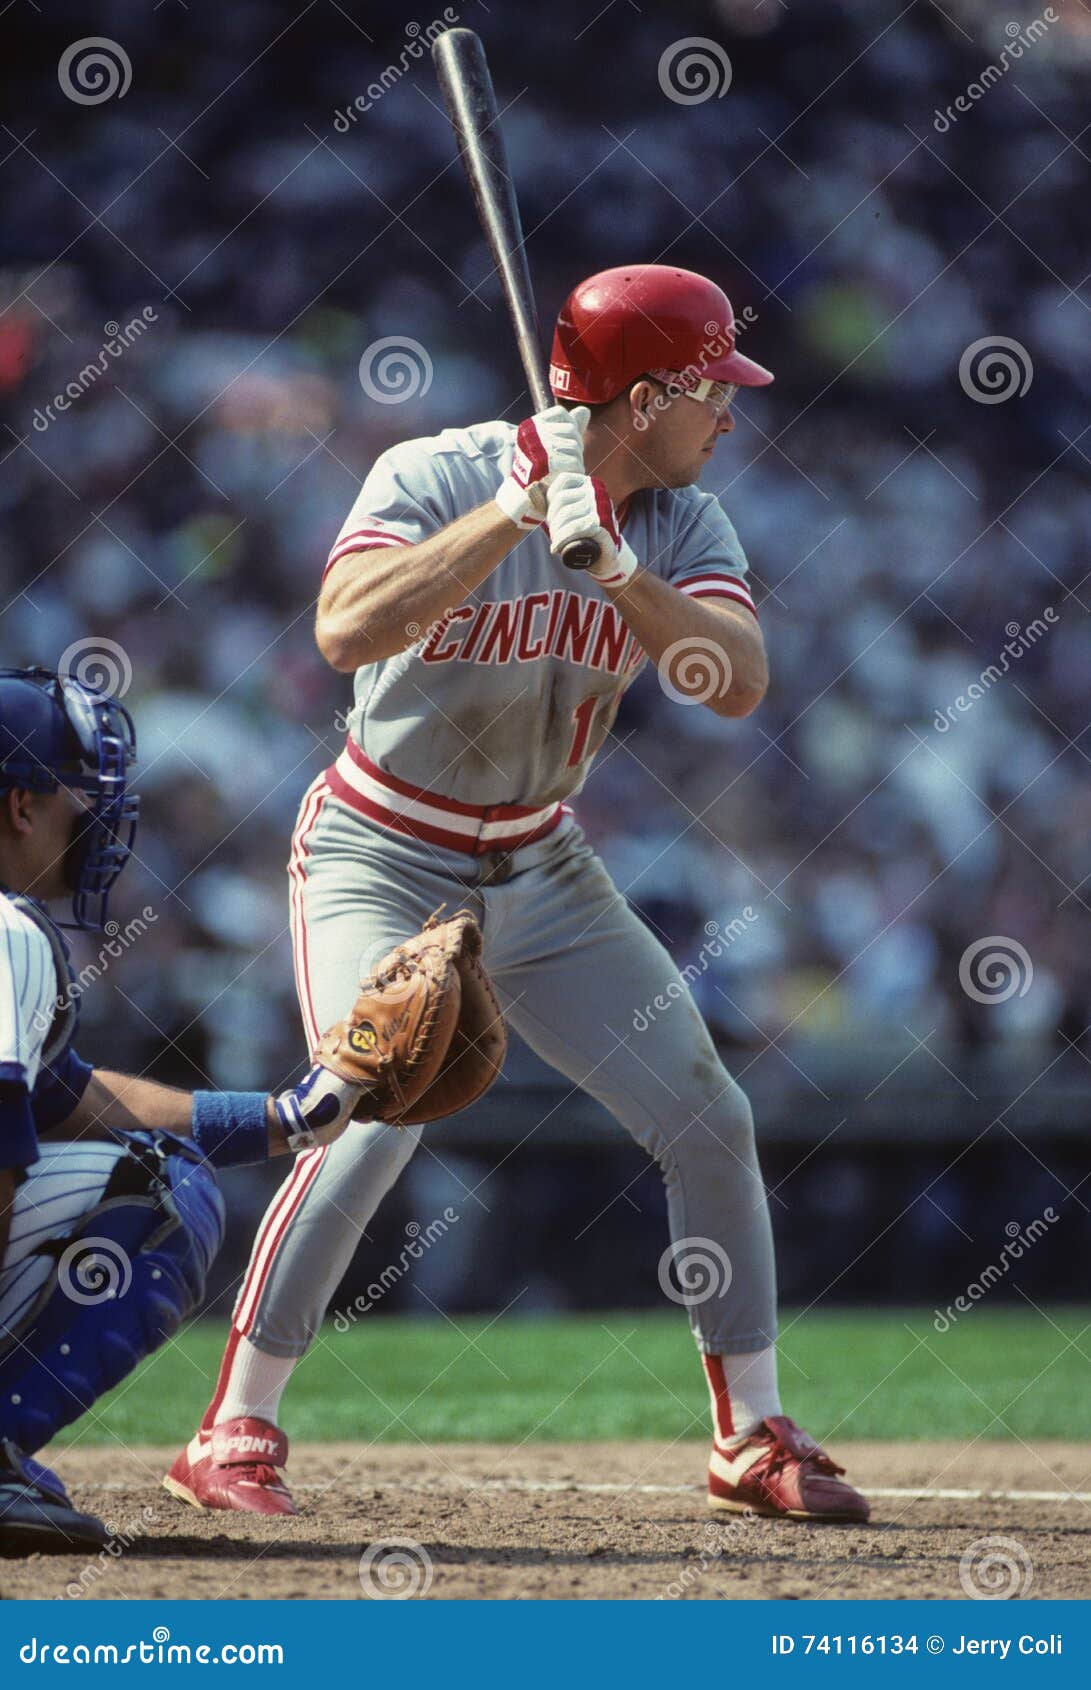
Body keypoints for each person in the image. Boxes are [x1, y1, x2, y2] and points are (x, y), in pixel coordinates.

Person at [171, 265, 869, 1524]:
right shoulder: (435, 472)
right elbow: (341, 628)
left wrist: (607, 564)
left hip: (542, 863)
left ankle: (748, 1432)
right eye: (710, 389)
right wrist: (507, 512)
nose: (728, 413)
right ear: (645, 394)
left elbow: (735, 681)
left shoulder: (674, 522)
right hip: (381, 847)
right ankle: (233, 1429)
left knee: (707, 1112)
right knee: (369, 1108)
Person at [0, 667, 385, 1554]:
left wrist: (286, 1117)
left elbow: (64, 1096)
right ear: (22, 806)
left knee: (137, 1155)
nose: (92, 817)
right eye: (73, 795)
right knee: (162, 1190)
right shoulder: (13, 935)